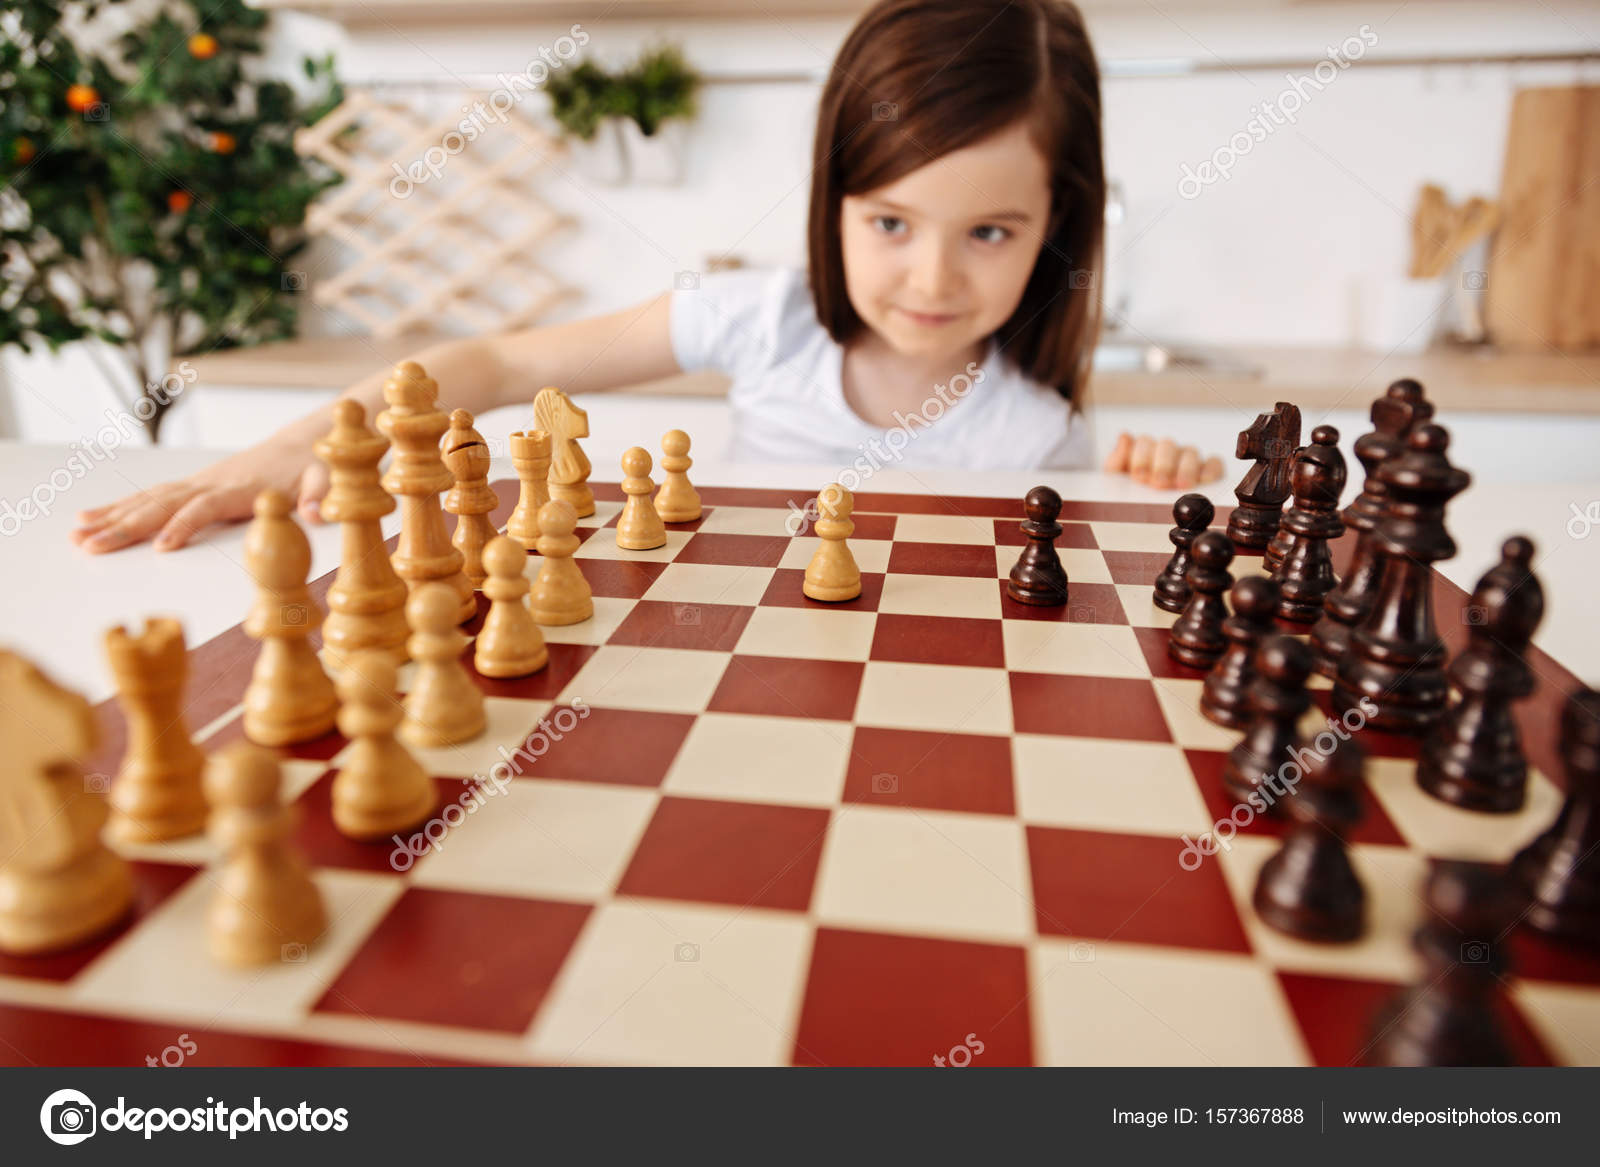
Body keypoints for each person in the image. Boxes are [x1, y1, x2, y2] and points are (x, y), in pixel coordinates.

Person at [73, 0, 1215, 555]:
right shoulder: (759, 322)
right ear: (831, 198)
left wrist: (1155, 487)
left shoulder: (1037, 434)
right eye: (889, 220)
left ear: (1057, 223)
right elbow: (502, 361)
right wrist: (299, 446)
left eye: (989, 234)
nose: (929, 277)